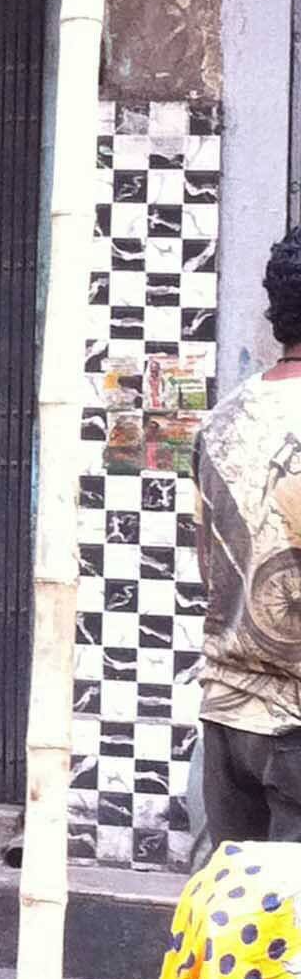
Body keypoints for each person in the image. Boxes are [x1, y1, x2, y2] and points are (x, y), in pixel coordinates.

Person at [194, 228, 301, 844]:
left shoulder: (223, 418)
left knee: (245, 931)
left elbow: (211, 562)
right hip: (296, 731)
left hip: (228, 721)